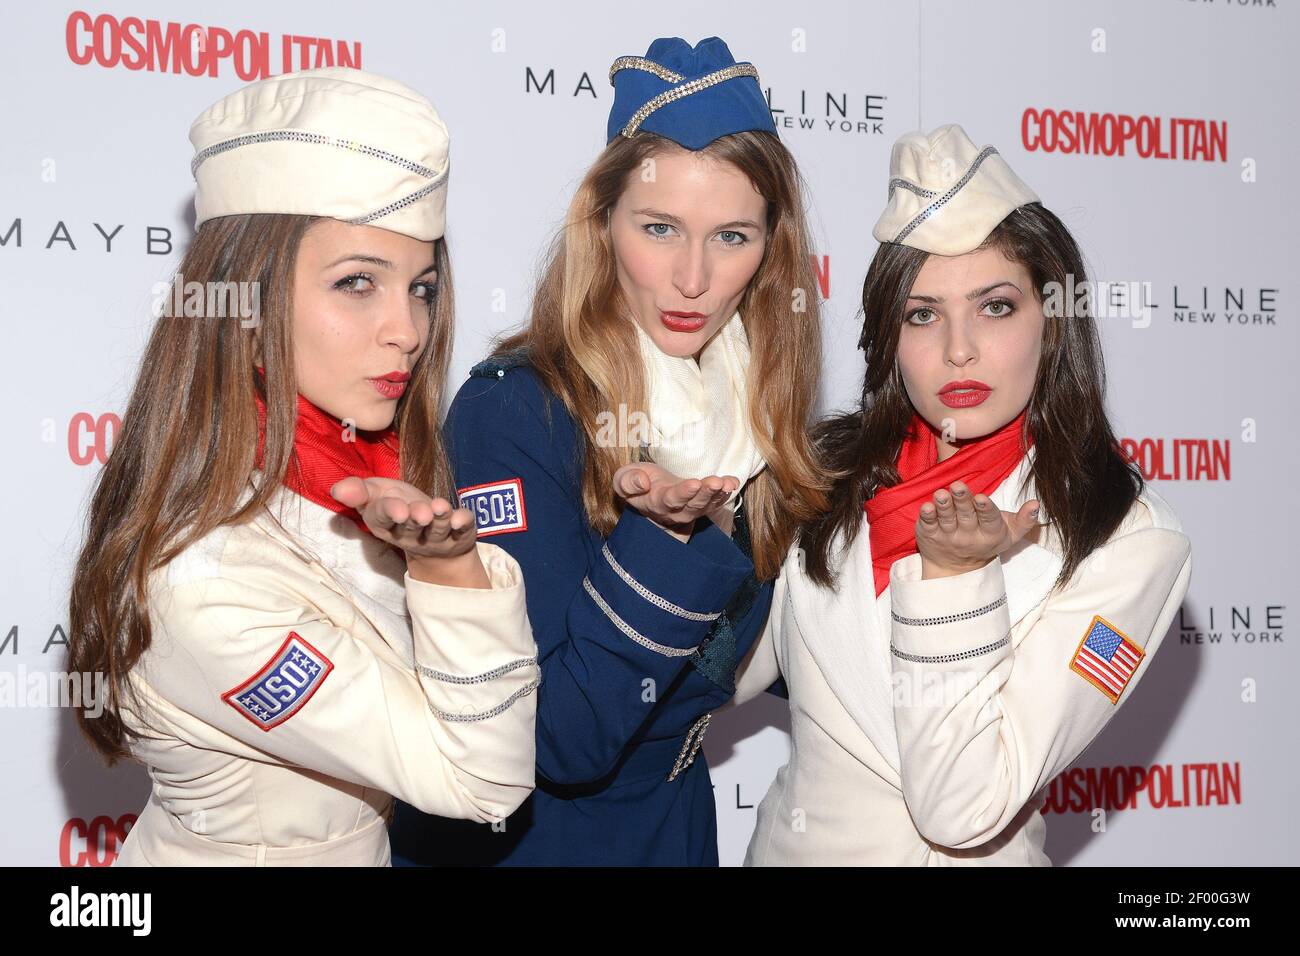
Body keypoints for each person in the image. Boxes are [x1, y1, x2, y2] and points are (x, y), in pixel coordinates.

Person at [66, 66, 541, 866]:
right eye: (357, 283)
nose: (408, 330)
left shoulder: (348, 475)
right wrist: (454, 574)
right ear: (242, 310)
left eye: (420, 288)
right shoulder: (204, 579)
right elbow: (483, 785)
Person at [389, 36, 829, 866]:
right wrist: (662, 542)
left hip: (679, 833)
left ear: (772, 250)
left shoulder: (758, 423)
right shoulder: (514, 410)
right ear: (602, 226)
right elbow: (559, 739)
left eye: (732, 236)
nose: (692, 278)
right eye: (659, 228)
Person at [731, 124, 1193, 866]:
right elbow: (720, 684)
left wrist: (953, 577)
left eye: (996, 306)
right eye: (923, 314)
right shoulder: (821, 473)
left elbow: (963, 808)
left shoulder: (1126, 538)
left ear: (1054, 319)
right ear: (889, 337)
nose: (958, 349)